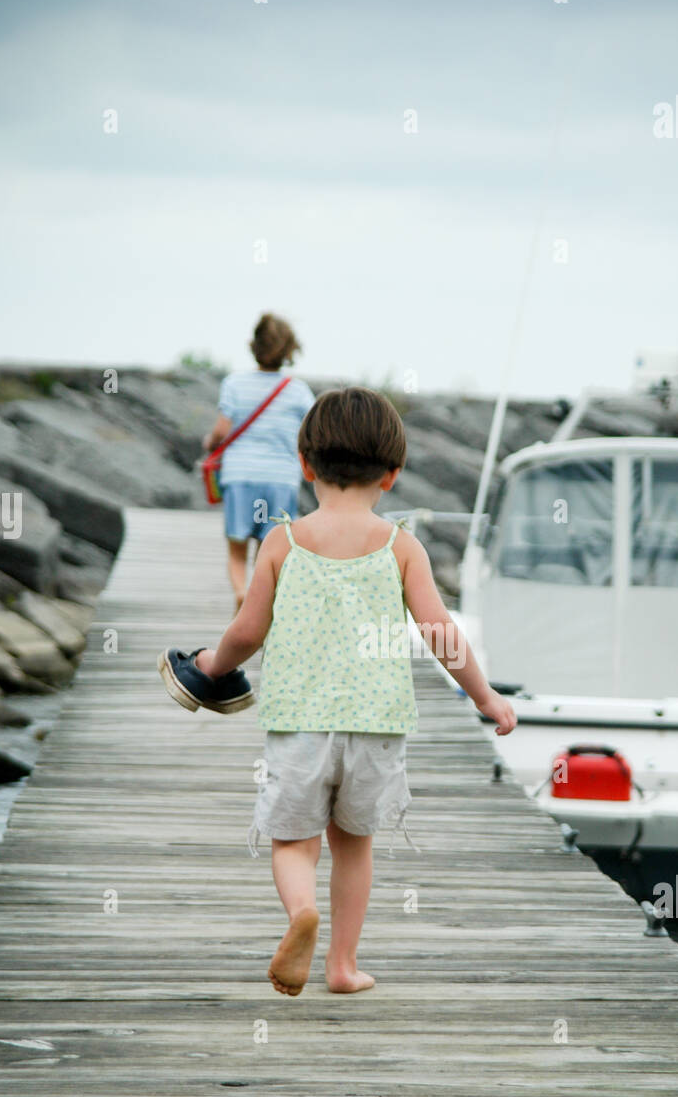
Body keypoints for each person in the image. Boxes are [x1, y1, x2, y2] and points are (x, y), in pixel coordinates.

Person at [162, 387, 516, 996]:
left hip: (299, 722)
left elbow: (248, 631)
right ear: (393, 472)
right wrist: (486, 698)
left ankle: (302, 912)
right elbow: (440, 633)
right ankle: (342, 966)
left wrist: (212, 664)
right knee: (354, 846)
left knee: (293, 843)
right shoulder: (402, 546)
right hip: (375, 727)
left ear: (305, 466)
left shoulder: (284, 542)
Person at [202, 313, 315, 609]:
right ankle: (259, 602)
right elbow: (314, 431)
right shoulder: (298, 390)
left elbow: (222, 431)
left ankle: (241, 591)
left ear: (254, 346)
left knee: (237, 550)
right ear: (289, 350)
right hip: (281, 478)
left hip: (240, 476)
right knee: (270, 550)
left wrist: (210, 443)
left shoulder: (234, 384)